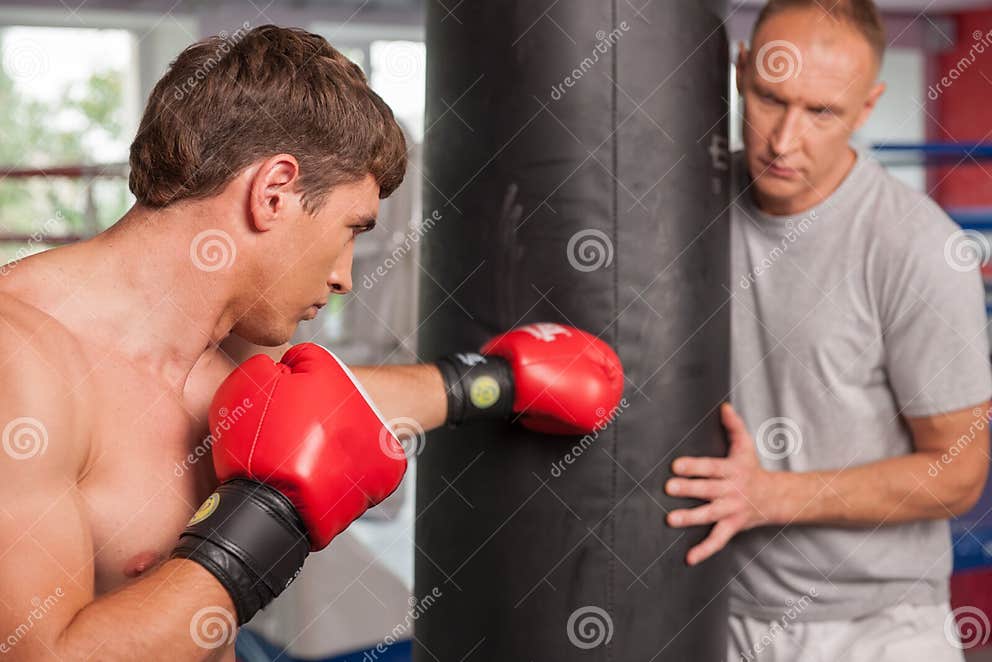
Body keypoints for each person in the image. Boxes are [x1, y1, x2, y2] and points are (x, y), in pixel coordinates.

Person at [0, 25, 623, 662]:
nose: (345, 276)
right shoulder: (20, 362)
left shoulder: (224, 348)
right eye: (352, 228)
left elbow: (334, 405)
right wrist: (271, 519)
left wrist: (489, 381)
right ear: (274, 191)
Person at [663, 1, 992, 659]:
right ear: (739, 73)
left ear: (866, 109)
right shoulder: (681, 203)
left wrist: (769, 496)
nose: (784, 142)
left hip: (874, 629)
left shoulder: (917, 250)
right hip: (714, 612)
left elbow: (959, 473)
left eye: (821, 113)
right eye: (769, 98)